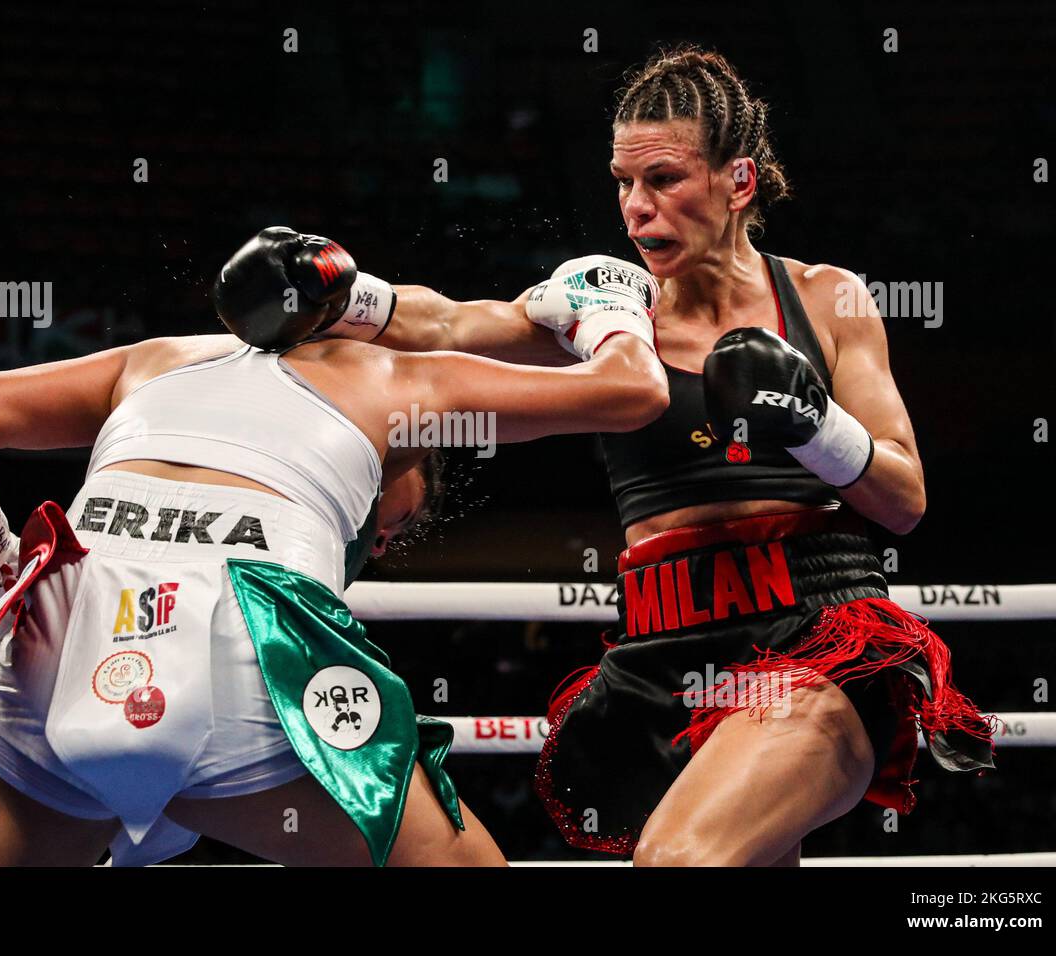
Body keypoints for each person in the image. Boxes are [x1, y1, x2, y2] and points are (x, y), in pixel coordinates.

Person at [312, 47, 994, 866]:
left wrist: (813, 422)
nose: (635, 209)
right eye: (623, 183)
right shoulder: (608, 311)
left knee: (679, 862)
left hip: (817, 640)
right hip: (662, 657)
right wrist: (327, 289)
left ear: (738, 182)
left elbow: (905, 498)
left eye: (664, 179)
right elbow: (447, 324)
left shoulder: (826, 298)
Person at [0, 226, 668, 866]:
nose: (383, 534)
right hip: (247, 641)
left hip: (59, 640)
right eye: (390, 520)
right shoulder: (396, 382)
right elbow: (633, 392)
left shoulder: (156, 359)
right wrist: (612, 309)